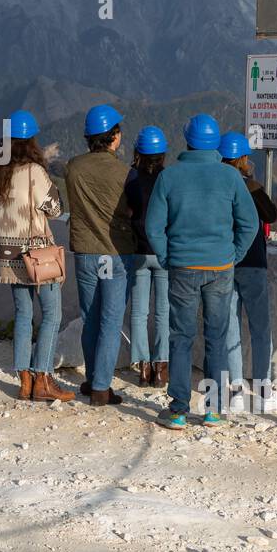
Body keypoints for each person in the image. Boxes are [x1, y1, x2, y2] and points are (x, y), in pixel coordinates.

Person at [146, 113, 257, 430]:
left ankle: (179, 410)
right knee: (216, 338)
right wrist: (232, 255)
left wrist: (168, 256)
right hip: (220, 267)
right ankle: (213, 409)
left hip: (182, 265)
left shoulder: (169, 177)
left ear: (188, 141)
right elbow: (249, 224)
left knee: (180, 337)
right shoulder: (231, 177)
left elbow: (154, 226)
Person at [0, 110, 73, 402]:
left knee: (23, 315)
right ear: (31, 141)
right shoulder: (34, 172)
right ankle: (43, 378)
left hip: (9, 253)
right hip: (38, 255)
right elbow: (54, 208)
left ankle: (24, 381)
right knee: (52, 314)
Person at [64, 104, 135, 407]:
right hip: (114, 254)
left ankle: (92, 378)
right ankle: (102, 388)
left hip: (84, 252)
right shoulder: (125, 173)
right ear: (114, 136)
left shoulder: (72, 167)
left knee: (90, 317)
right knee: (110, 319)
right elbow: (131, 211)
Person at [217, 131, 277, 413]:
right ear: (244, 159)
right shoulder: (251, 186)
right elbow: (271, 215)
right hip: (254, 261)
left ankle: (234, 391)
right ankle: (263, 388)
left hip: (223, 262)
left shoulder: (216, 185)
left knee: (230, 326)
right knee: (260, 327)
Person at [125, 125, 169, 389]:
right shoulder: (169, 178)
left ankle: (143, 368)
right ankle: (161, 369)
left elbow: (127, 212)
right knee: (163, 312)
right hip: (163, 251)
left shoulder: (131, 179)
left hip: (138, 251)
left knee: (139, 312)